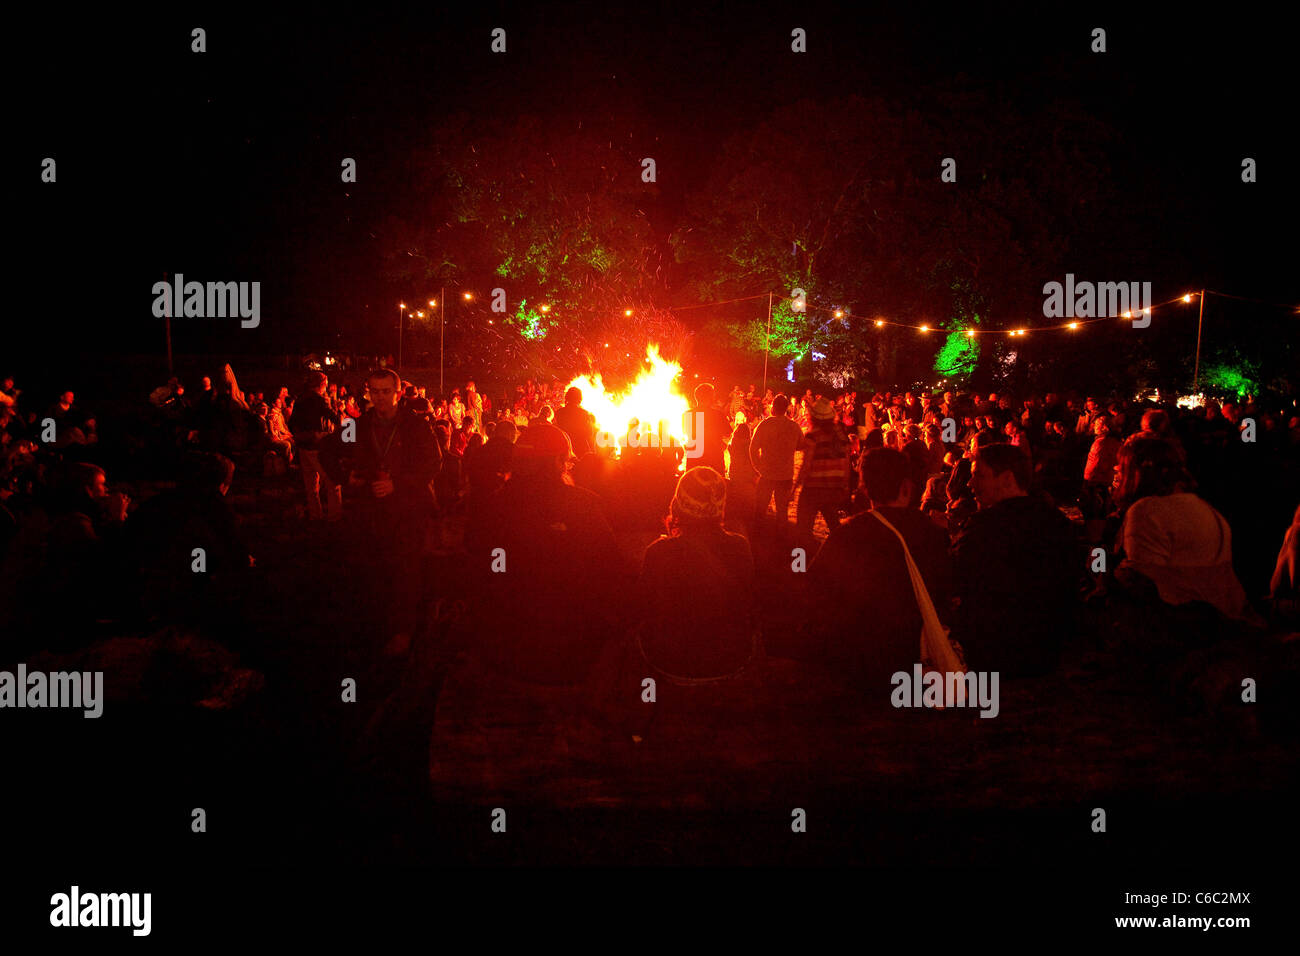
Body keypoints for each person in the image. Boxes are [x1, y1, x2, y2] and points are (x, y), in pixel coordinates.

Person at [320, 368, 442, 652]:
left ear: (398, 393)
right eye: (374, 391)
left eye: (386, 391)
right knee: (374, 567)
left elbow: (433, 463)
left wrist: (398, 484)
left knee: (406, 569)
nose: (380, 397)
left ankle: (404, 629)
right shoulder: (359, 426)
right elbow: (327, 448)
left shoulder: (415, 426)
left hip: (408, 509)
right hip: (371, 511)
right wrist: (342, 478)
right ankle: (375, 623)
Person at [811, 447, 953, 686]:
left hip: (866, 657)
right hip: (918, 653)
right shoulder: (933, 532)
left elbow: (816, 588)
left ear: (865, 488)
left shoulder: (847, 535)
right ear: (907, 486)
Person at [951, 443, 1079, 677]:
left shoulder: (984, 528)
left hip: (994, 652)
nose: (970, 484)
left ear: (1007, 479)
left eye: (978, 475)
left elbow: (956, 577)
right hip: (1047, 649)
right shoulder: (1058, 523)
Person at [1112, 437, 1260, 624]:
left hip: (1183, 628)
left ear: (1136, 472)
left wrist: (1107, 573)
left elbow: (1143, 586)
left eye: (1120, 467)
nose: (1116, 472)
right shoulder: (1206, 509)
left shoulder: (1147, 511)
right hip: (1222, 619)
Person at [637, 466, 758, 679]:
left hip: (669, 659)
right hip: (731, 656)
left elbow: (643, 607)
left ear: (678, 505)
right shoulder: (740, 546)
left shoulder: (657, 552)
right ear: (721, 506)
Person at [794, 397, 850, 545]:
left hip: (813, 488)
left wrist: (795, 488)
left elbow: (807, 464)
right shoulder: (841, 433)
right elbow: (847, 462)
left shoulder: (813, 435)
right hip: (834, 488)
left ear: (814, 417)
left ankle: (799, 564)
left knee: (803, 529)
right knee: (834, 526)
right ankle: (840, 559)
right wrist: (845, 485)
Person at [290, 371, 342, 522]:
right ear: (322, 384)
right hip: (318, 445)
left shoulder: (300, 399)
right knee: (333, 481)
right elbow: (335, 417)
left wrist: (301, 435)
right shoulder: (320, 399)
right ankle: (334, 517)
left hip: (303, 446)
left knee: (311, 484)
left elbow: (291, 423)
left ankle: (315, 515)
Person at [750, 394, 804, 526]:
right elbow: (801, 446)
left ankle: (758, 538)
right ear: (786, 408)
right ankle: (781, 539)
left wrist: (758, 467)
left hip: (766, 474)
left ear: (773, 407)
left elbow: (752, 449)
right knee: (782, 511)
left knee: (760, 509)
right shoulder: (794, 426)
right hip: (785, 475)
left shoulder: (764, 425)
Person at [682, 382, 730, 474]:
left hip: (694, 461)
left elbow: (685, 432)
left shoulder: (687, 415)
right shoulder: (718, 415)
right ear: (710, 397)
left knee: (694, 486)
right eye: (713, 395)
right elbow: (728, 434)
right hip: (714, 461)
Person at [552, 386, 597, 458]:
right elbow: (589, 433)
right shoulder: (584, 413)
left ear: (567, 397)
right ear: (579, 398)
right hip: (580, 449)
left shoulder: (559, 412)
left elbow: (555, 430)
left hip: (563, 448)